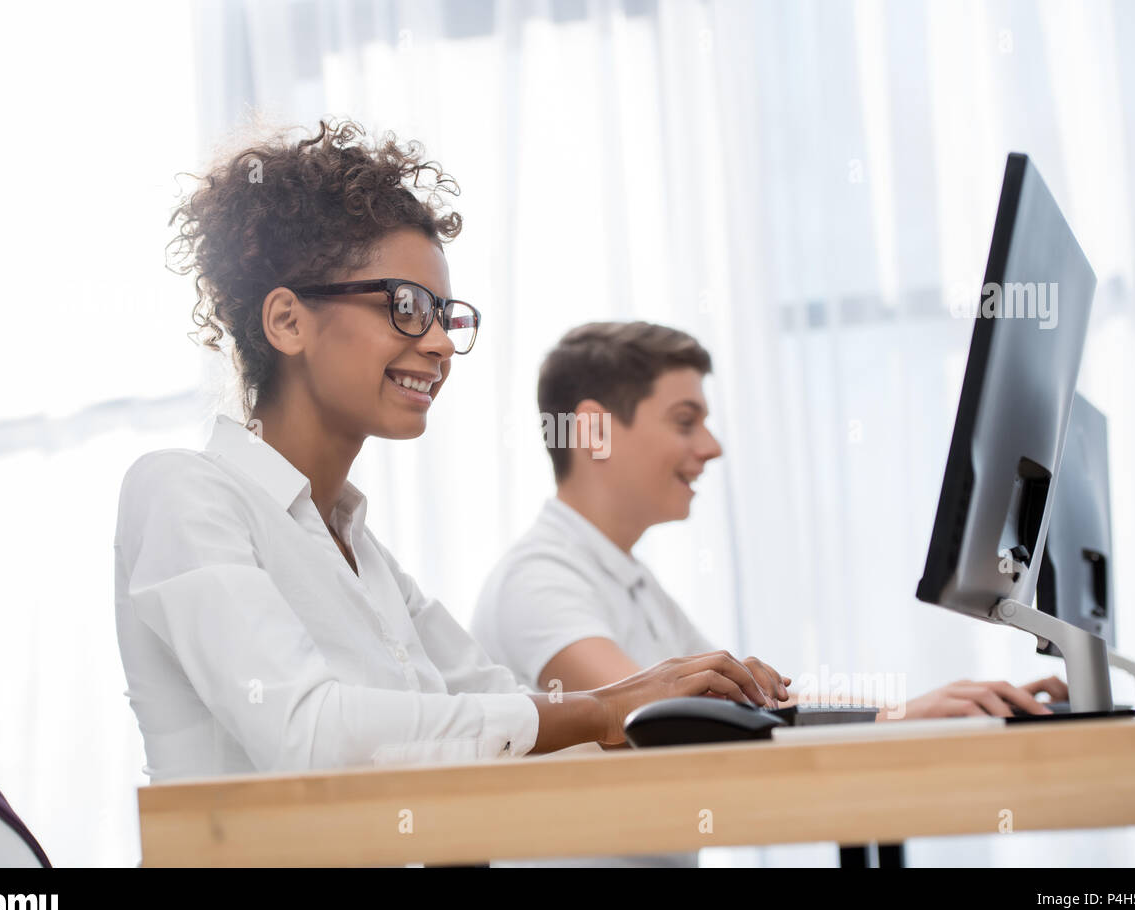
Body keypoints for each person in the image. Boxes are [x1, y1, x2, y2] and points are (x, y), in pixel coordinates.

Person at [113, 120, 793, 791]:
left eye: (445, 314)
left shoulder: (362, 551)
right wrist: (606, 706)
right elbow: (307, 732)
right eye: (406, 306)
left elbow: (514, 723)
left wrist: (677, 704)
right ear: (288, 321)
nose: (438, 342)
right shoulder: (182, 492)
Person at [471, 321, 1069, 865]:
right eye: (685, 421)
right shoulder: (538, 580)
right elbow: (660, 725)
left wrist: (918, 711)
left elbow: (752, 706)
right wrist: (901, 716)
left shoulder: (629, 582)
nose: (711, 446)